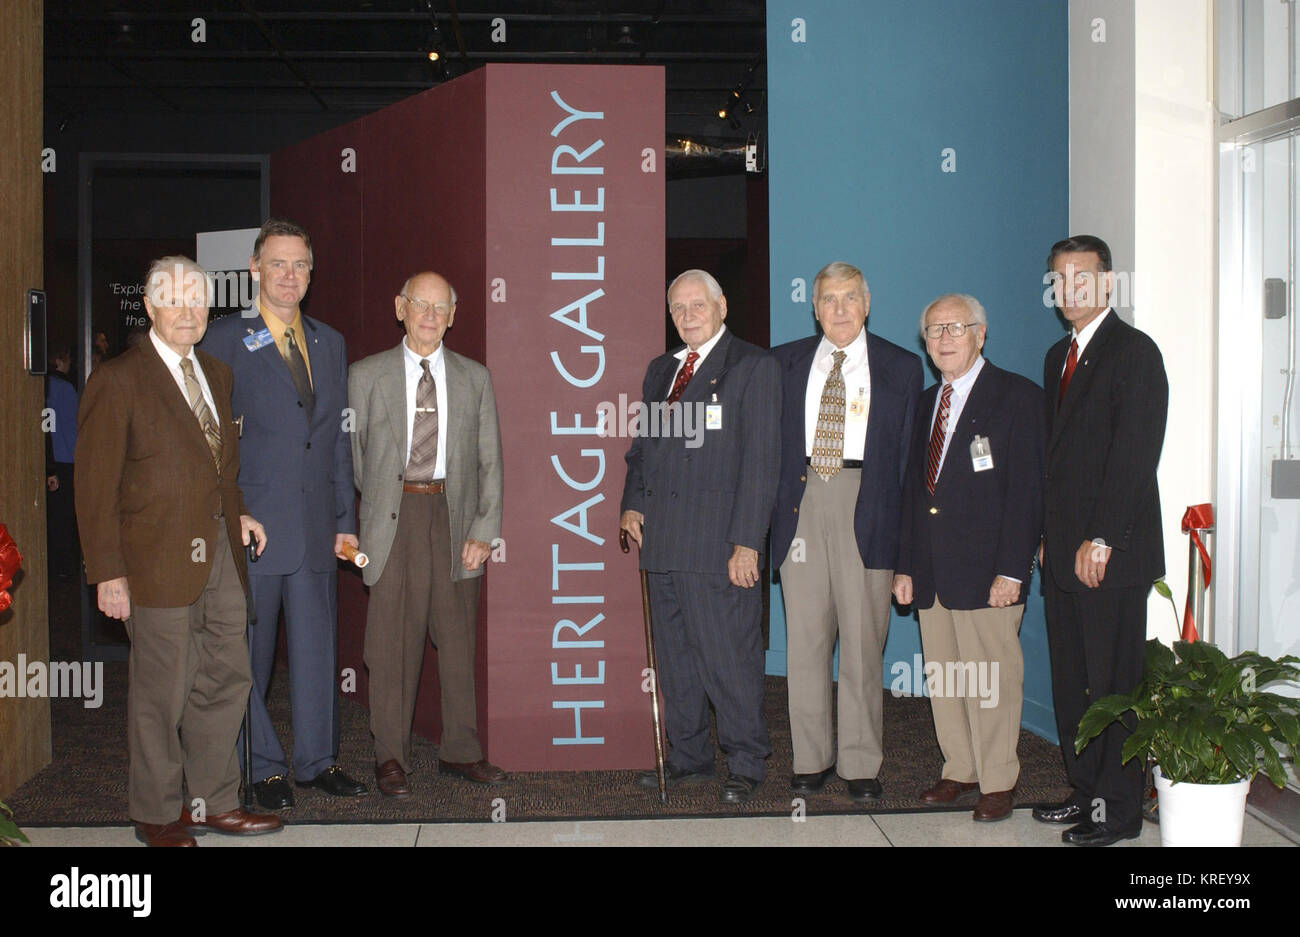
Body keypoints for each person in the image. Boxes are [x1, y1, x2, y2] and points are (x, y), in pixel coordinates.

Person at [75, 255, 281, 846]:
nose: (189, 309)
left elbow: (221, 468)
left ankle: (214, 801)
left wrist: (238, 513)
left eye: (198, 297)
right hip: (152, 564)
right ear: (149, 305)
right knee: (161, 692)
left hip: (221, 557)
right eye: (175, 297)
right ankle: (158, 813)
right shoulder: (117, 380)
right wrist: (108, 574)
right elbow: (93, 487)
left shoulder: (217, 372)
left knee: (226, 678)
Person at [201, 218, 366, 808]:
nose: (290, 275)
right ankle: (260, 764)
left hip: (318, 525)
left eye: (300, 265)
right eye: (278, 263)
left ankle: (317, 761)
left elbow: (335, 441)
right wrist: (232, 513)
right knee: (246, 655)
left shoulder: (330, 340)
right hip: (256, 530)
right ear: (253, 269)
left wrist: (345, 521)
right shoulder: (222, 339)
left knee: (318, 652)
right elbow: (211, 440)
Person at [619, 269, 780, 804]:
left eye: (697, 305)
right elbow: (643, 449)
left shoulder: (752, 366)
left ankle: (747, 761)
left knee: (728, 659)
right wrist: (632, 504)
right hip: (661, 544)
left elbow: (761, 465)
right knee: (677, 661)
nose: (688, 315)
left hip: (718, 548)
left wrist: (748, 543)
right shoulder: (661, 369)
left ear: (722, 305)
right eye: (678, 308)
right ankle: (689, 758)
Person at [348, 272, 506, 795]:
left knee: (457, 640)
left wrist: (484, 529)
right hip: (394, 521)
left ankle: (460, 751)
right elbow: (359, 463)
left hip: (455, 518)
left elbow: (490, 461)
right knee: (390, 644)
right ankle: (391, 757)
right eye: (421, 304)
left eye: (442, 307)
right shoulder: (365, 376)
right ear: (400, 307)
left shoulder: (474, 378)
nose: (431, 316)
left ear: (453, 315)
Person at [1033, 234, 1168, 847]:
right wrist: (1044, 536)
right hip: (1062, 554)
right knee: (1072, 681)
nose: (1070, 290)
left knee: (1113, 684)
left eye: (1082, 278)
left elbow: (1134, 460)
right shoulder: (1056, 356)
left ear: (1108, 283)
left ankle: (1118, 812)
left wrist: (1103, 538)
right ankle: (1083, 790)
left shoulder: (1134, 353)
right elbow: (1054, 462)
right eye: (1060, 279)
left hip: (1108, 555)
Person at [771, 261, 922, 802]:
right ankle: (810, 759)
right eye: (828, 299)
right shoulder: (783, 363)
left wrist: (907, 551)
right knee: (805, 643)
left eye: (849, 298)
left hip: (870, 504)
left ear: (867, 303)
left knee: (863, 643)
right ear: (814, 307)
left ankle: (861, 763)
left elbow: (907, 465)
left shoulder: (902, 368)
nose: (839, 309)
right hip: (801, 506)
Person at [892, 294, 1044, 821]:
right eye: (934, 330)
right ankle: (960, 768)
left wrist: (1011, 570)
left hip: (988, 573)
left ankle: (999, 780)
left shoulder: (1017, 397)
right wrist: (905, 565)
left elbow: (1027, 494)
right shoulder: (926, 402)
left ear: (981, 334)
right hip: (932, 571)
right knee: (947, 676)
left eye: (956, 327)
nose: (945, 337)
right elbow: (914, 494)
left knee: (993, 677)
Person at [45, 344, 80, 582]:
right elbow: (73, 428)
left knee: (51, 519)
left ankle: (53, 566)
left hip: (48, 459)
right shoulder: (65, 389)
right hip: (66, 460)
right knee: (65, 519)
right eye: (66, 360)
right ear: (58, 362)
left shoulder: (40, 386)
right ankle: (66, 568)